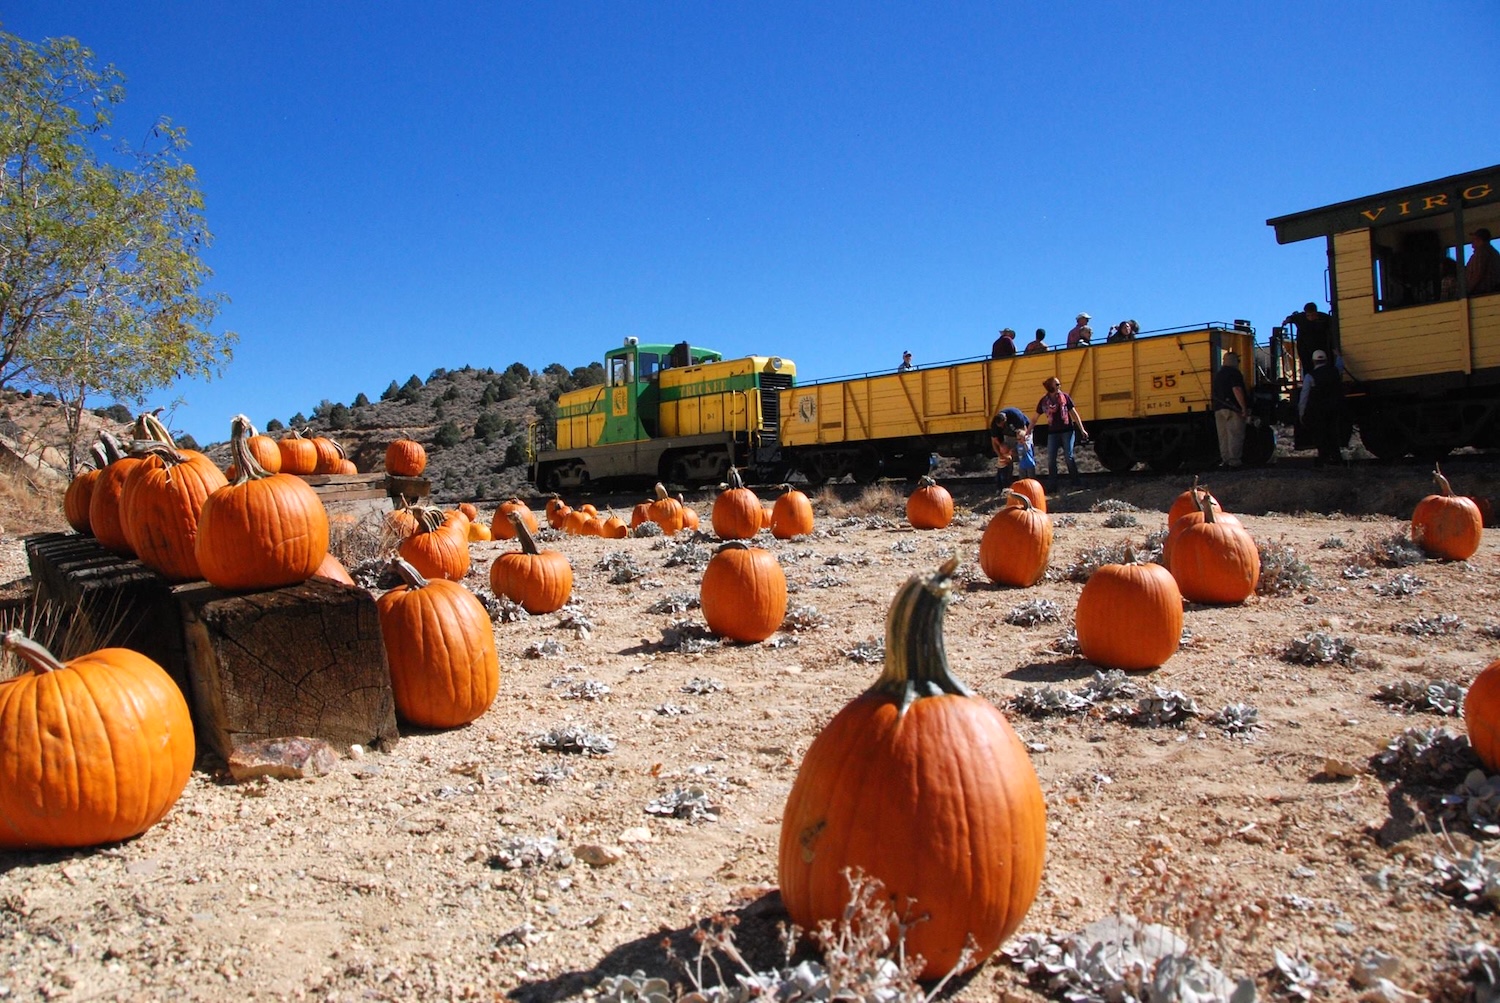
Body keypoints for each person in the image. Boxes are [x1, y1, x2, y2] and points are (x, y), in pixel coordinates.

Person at [1035, 376, 1088, 490]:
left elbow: (1074, 413)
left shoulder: (1065, 397)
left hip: (1067, 431)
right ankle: (1053, 486)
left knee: (1069, 456)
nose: (1059, 386)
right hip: (1053, 433)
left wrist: (1082, 429)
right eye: (1057, 385)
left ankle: (1076, 483)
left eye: (1059, 384)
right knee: (1051, 459)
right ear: (1051, 387)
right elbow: (1035, 417)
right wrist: (1028, 431)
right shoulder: (1044, 401)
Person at [1298, 349, 1345, 466]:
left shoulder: (1310, 377)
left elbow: (1304, 396)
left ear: (1313, 361)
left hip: (1318, 412)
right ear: (1326, 360)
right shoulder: (1334, 371)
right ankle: (1337, 458)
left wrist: (1301, 413)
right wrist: (1339, 356)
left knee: (1321, 435)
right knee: (1333, 433)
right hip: (1333, 409)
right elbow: (1340, 366)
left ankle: (1324, 459)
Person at [1212, 350, 1250, 469]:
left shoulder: (1218, 375)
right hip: (1233, 409)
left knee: (1223, 437)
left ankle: (1226, 460)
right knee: (1235, 434)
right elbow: (1236, 389)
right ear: (1234, 361)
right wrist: (1244, 407)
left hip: (1219, 409)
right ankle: (1234, 461)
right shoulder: (1234, 373)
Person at [989, 405, 1031, 489]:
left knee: (1024, 455)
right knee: (1005, 457)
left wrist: (1016, 449)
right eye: (999, 426)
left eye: (1002, 425)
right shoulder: (994, 423)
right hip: (1009, 436)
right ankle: (1005, 485)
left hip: (1022, 432)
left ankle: (1026, 483)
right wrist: (1001, 456)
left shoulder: (1015, 415)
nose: (1001, 427)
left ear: (1005, 420)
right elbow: (994, 441)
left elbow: (1024, 432)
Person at [1284, 302, 1333, 373]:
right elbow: (1291, 318)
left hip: (1321, 346)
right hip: (1305, 348)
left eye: (1312, 315)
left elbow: (1332, 323)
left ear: (1316, 313)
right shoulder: (1300, 317)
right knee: (1307, 366)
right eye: (1308, 315)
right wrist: (1287, 321)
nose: (1310, 317)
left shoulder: (1324, 318)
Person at [1466, 228, 1500, 296]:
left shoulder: (1481, 252)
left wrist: (1467, 291)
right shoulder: (1494, 252)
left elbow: (1478, 274)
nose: (1472, 245)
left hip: (1482, 293)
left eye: (1473, 241)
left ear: (1479, 240)